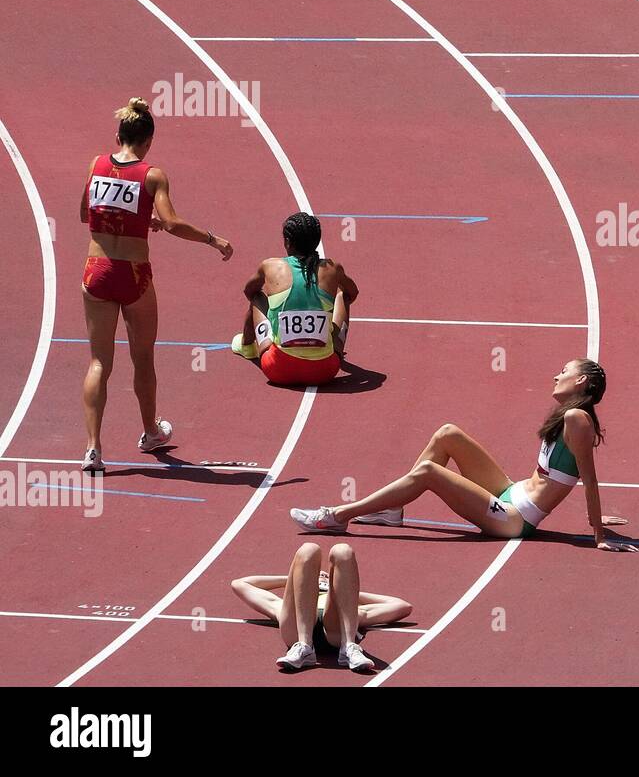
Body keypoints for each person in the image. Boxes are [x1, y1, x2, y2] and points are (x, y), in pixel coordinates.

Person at [288, 359, 636, 551]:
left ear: (583, 382)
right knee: (448, 433)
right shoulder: (568, 414)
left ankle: (338, 515)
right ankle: (391, 509)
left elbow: (589, 479)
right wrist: (600, 519)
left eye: (565, 371)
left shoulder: (577, 418)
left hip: (514, 519)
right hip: (510, 492)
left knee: (428, 472)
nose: (556, 374)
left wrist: (598, 533)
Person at [80, 97, 233, 473]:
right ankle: (149, 432)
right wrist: (213, 239)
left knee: (100, 360)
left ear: (119, 135)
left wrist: (134, 218)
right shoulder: (153, 175)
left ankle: (93, 449)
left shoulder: (97, 164)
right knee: (143, 356)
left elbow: (87, 213)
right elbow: (174, 222)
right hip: (132, 274)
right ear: (148, 141)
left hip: (96, 269)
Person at [231, 542, 411, 672]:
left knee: (343, 551)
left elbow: (402, 606)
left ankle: (348, 648)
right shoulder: (281, 605)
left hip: (335, 631)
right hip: (296, 630)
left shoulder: (353, 610)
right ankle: (304, 646)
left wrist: (345, 590)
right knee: (308, 549)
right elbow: (240, 584)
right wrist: (298, 579)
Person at [231, 213, 356, 386]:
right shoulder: (333, 268)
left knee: (257, 296)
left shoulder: (270, 266)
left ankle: (246, 345)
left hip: (277, 369)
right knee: (344, 296)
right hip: (325, 371)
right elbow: (353, 292)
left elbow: (249, 291)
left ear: (287, 242)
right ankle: (335, 348)